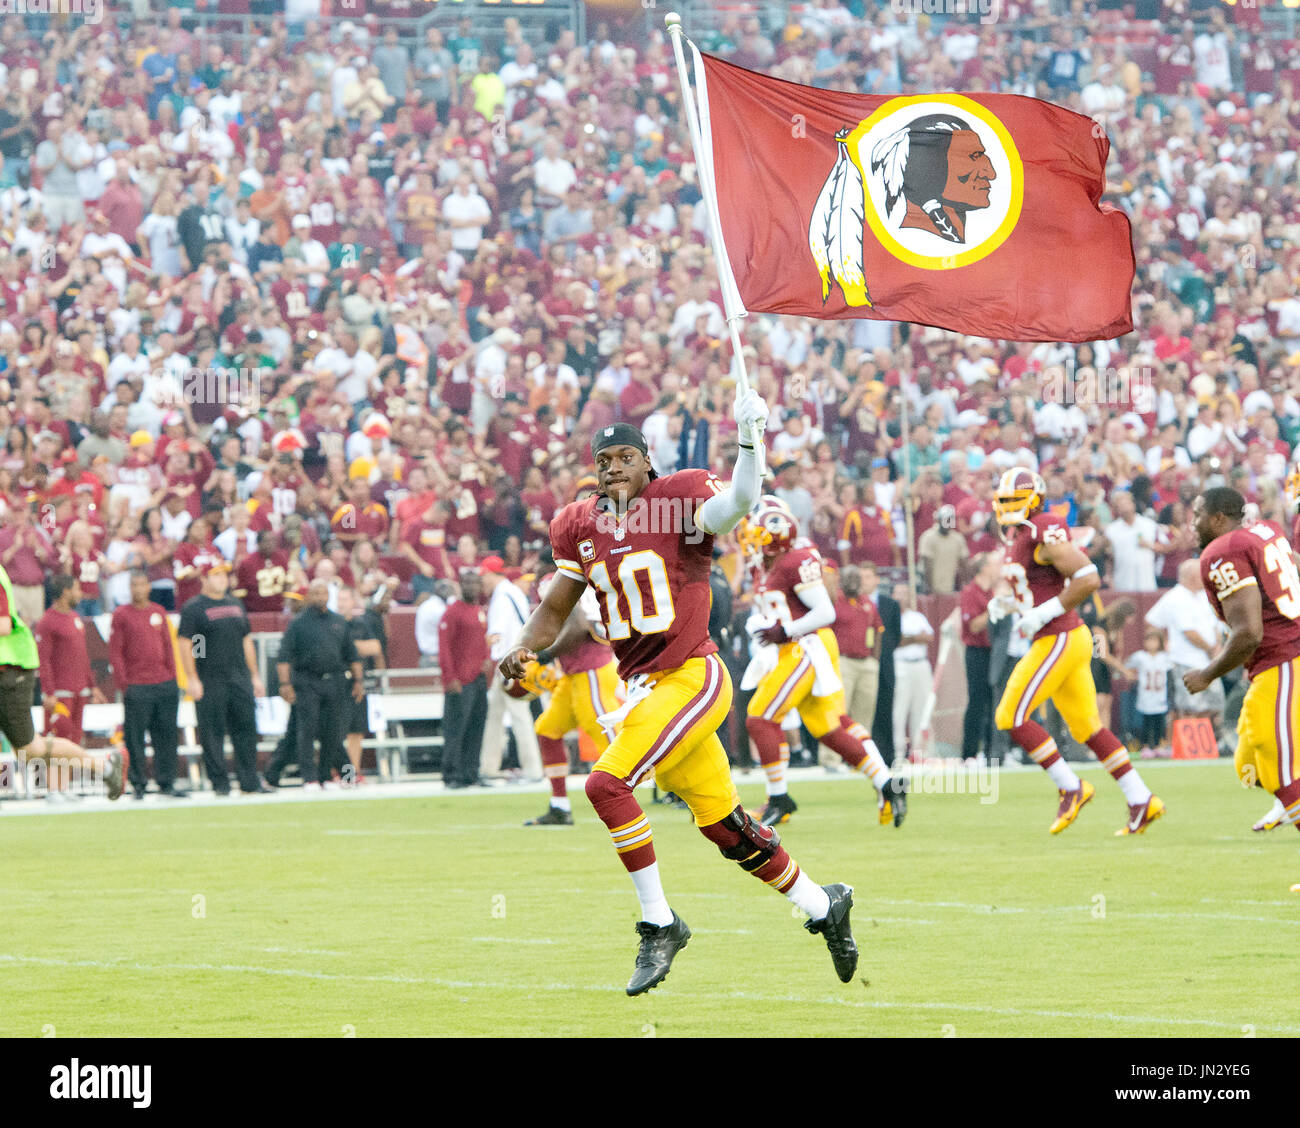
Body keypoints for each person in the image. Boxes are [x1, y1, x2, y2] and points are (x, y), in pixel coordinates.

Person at [500, 396, 860, 997]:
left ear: (648, 463)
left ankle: (659, 923)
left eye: (625, 457)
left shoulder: (679, 498)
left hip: (692, 673)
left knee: (605, 784)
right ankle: (824, 904)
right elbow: (555, 606)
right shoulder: (579, 524)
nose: (613, 468)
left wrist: (750, 443)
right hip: (642, 687)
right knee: (724, 826)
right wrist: (524, 647)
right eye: (604, 459)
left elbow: (739, 503)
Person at [991, 468, 1164, 835]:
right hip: (1060, 638)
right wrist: (1008, 606)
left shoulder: (1044, 526)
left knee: (1010, 716)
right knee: (1088, 726)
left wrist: (1043, 612)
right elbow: (1034, 585)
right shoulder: (1019, 533)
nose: (1007, 507)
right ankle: (1141, 798)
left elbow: (1087, 577)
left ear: (1034, 498)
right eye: (1003, 501)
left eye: (1013, 500)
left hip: (1059, 637)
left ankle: (1070, 786)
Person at [739, 496, 905, 827]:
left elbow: (825, 611)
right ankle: (887, 783)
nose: (750, 540)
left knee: (760, 717)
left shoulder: (794, 560)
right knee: (829, 728)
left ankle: (779, 798)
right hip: (790, 648)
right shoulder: (764, 564)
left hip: (806, 647)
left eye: (757, 533)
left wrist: (784, 630)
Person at [1184, 488, 1300, 842]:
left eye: (1198, 514)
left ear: (1218, 518)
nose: (1192, 523)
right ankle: (1289, 799)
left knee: (1278, 766)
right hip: (1272, 662)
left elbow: (1249, 632)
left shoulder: (1223, 550)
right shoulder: (1264, 530)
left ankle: (1291, 796)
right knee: (1248, 764)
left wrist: (1208, 674)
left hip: (1283, 659)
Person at [0, 563, 123, 800]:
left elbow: (4, 625)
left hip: (9, 673)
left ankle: (101, 768)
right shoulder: (53, 620)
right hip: (48, 684)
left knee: (31, 750)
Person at [522, 579, 621, 826]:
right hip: (574, 673)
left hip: (591, 672)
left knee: (612, 740)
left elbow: (577, 626)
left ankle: (626, 802)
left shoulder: (558, 581)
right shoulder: (578, 580)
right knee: (547, 729)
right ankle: (560, 806)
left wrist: (545, 655)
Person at [177, 559, 272, 796]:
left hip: (239, 676)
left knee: (246, 729)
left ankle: (249, 781)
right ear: (204, 579)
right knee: (212, 732)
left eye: (224, 575)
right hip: (210, 677)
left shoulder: (235, 604)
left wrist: (255, 676)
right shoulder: (194, 608)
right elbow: (186, 643)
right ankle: (220, 783)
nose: (222, 579)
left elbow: (246, 640)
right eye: (216, 575)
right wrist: (192, 677)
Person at [276, 578, 365, 791]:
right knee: (306, 731)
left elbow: (351, 654)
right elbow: (284, 657)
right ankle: (309, 777)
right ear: (308, 596)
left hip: (335, 681)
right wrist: (285, 684)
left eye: (324, 593)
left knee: (333, 732)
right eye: (316, 593)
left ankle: (327, 775)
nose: (320, 597)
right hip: (307, 681)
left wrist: (358, 680)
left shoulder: (339, 621)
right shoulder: (298, 623)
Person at [110, 569, 186, 799]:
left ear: (148, 587)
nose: (138, 589)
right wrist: (125, 684)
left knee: (167, 736)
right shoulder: (121, 615)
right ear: (129, 588)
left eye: (142, 584)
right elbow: (116, 652)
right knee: (135, 738)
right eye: (134, 585)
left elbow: (168, 647)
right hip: (137, 686)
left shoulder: (158, 612)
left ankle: (167, 782)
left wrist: (172, 677)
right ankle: (138, 784)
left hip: (164, 683)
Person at [35, 575, 106, 800]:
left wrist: (91, 685)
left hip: (79, 690)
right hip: (60, 694)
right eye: (76, 588)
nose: (80, 592)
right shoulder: (47, 621)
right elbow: (43, 660)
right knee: (55, 740)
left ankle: (64, 787)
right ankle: (50, 789)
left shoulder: (75, 618)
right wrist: (48, 691)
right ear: (65, 591)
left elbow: (83, 656)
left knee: (73, 740)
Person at [479, 554, 542, 782]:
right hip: (516, 660)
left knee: (519, 716)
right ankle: (488, 767)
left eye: (483, 576)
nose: (482, 582)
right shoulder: (513, 592)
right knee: (495, 715)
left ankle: (534, 769)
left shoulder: (501, 596)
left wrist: (480, 646)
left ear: (490, 574)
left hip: (508, 663)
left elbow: (496, 635)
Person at [1146, 558, 1226, 723]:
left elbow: (1216, 623)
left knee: (1214, 705)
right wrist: (1165, 642)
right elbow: (1187, 631)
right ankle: (1192, 745)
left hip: (1210, 660)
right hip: (1185, 660)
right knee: (1189, 706)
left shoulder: (1204, 596)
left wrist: (1217, 645)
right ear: (1191, 576)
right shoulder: (1176, 597)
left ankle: (1207, 742)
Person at [438, 568, 491, 789]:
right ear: (461, 585)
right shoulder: (452, 612)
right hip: (460, 681)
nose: (471, 587)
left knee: (476, 726)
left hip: (479, 679)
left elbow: (482, 641)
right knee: (456, 728)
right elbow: (444, 647)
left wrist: (487, 660)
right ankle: (452, 774)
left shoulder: (479, 610)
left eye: (475, 583)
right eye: (467, 583)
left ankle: (471, 772)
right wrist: (449, 678)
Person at [830, 564, 884, 746]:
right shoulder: (835, 600)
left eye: (856, 579)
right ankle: (832, 759)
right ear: (841, 581)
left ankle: (863, 756)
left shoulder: (867, 602)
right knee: (838, 712)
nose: (853, 583)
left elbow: (878, 630)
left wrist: (874, 659)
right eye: (849, 578)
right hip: (843, 661)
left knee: (864, 713)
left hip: (866, 662)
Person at [337, 585, 385, 784]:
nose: (342, 604)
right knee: (337, 732)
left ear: (352, 602)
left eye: (345, 600)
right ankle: (337, 772)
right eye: (338, 600)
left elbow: (375, 647)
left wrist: (349, 647)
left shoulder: (361, 624)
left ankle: (352, 773)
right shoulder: (331, 624)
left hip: (357, 683)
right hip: (336, 683)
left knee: (356, 731)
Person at [959, 552, 999, 763]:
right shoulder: (970, 592)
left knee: (994, 702)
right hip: (976, 651)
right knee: (976, 701)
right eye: (994, 565)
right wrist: (995, 609)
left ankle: (994, 751)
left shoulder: (993, 592)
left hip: (994, 651)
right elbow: (973, 625)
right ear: (983, 568)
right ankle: (969, 753)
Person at [892, 582, 934, 763]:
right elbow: (896, 641)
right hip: (901, 664)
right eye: (898, 593)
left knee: (922, 709)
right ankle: (898, 752)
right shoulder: (890, 616)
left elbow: (929, 637)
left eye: (905, 593)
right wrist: (916, 638)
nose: (902, 597)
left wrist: (909, 638)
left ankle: (921, 753)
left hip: (920, 664)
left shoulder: (917, 617)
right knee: (899, 710)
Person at [1127, 628, 1172, 758]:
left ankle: (1157, 745)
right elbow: (1127, 665)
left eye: (1154, 640)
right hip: (1145, 696)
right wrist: (1130, 674)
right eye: (1149, 640)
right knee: (1146, 723)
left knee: (1159, 723)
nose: (1151, 644)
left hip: (1160, 696)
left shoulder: (1165, 657)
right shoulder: (1140, 657)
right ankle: (1145, 746)